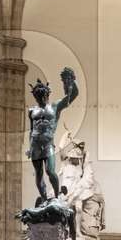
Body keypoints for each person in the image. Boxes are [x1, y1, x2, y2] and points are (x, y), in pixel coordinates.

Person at [27, 67, 78, 205]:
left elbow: (71, 96)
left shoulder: (55, 107)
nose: (40, 98)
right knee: (38, 174)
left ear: (47, 95)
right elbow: (31, 130)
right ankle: (44, 199)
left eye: (42, 95)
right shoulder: (32, 111)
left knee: (50, 171)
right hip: (35, 145)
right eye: (37, 96)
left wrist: (72, 81)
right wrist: (29, 147)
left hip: (48, 144)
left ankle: (56, 197)